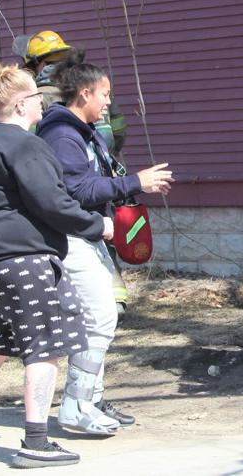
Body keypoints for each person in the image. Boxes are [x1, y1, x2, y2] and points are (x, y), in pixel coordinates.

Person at [0, 58, 115, 469]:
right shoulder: (25, 145)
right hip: (25, 258)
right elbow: (52, 203)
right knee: (45, 346)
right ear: (20, 104)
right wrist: (97, 225)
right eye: (37, 97)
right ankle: (35, 441)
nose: (43, 104)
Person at [36, 51, 174, 435]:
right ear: (84, 93)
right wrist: (135, 183)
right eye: (105, 94)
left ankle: (90, 400)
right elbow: (77, 189)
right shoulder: (63, 136)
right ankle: (76, 405)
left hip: (90, 233)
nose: (109, 101)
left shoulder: (82, 133)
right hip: (72, 237)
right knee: (98, 317)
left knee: (97, 316)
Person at [19, 30, 132, 323]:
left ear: (37, 64)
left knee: (76, 237)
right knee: (103, 233)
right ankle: (115, 298)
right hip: (101, 172)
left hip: (67, 182)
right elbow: (117, 128)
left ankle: (80, 304)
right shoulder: (91, 88)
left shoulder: (39, 97)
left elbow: (29, 144)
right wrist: (108, 156)